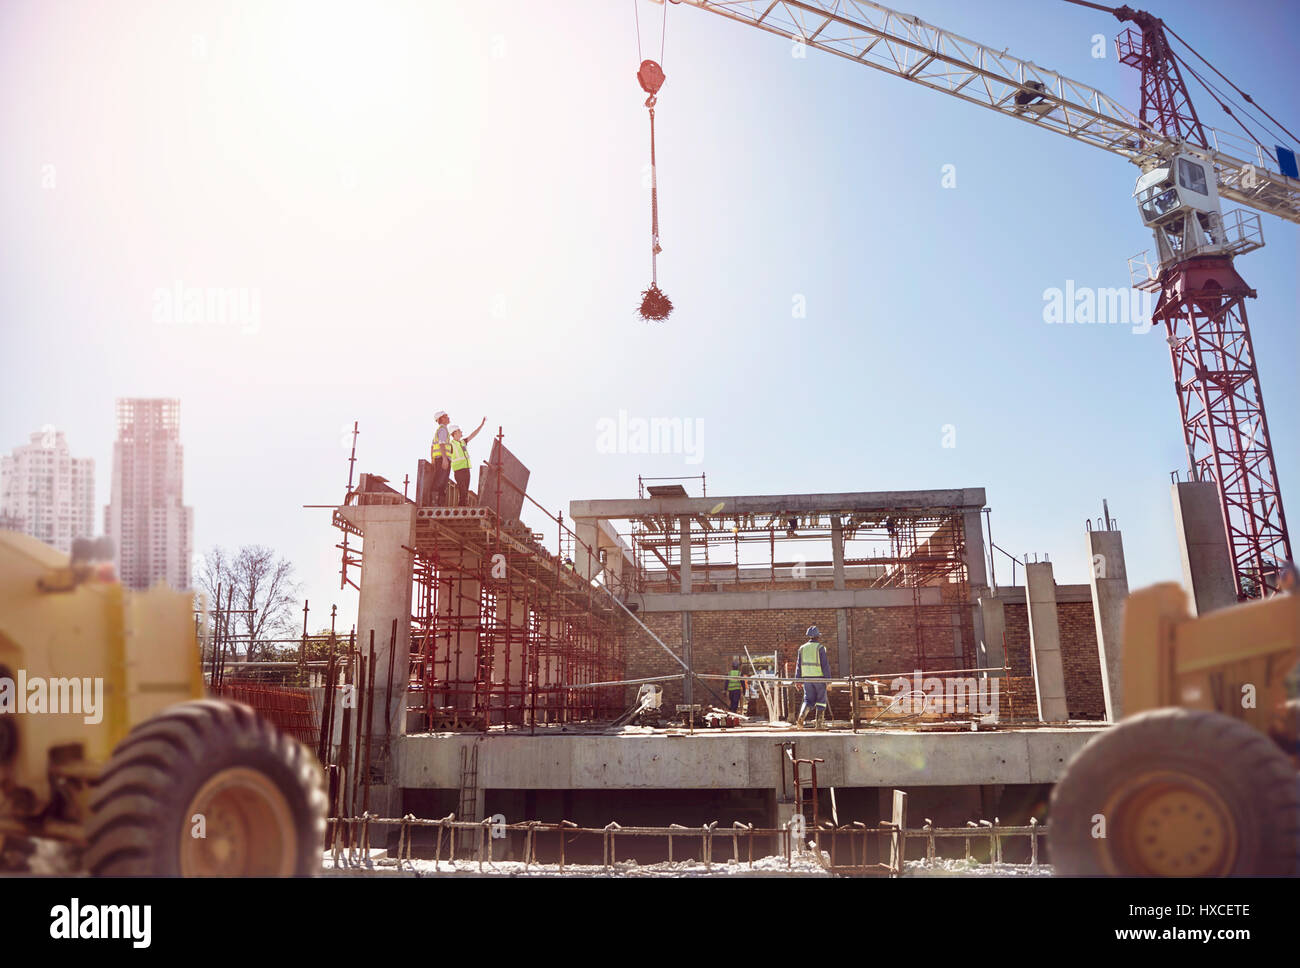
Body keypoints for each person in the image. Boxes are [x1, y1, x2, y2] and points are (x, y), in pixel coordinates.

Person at [794, 626, 830, 730]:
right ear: (818, 636)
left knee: (808, 700)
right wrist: (828, 681)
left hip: (807, 679)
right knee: (821, 700)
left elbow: (798, 665)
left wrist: (798, 680)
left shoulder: (802, 648)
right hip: (819, 678)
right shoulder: (820, 648)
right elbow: (825, 665)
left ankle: (801, 717)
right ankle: (819, 724)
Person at [448, 417, 487, 507]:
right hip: (458, 470)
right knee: (463, 489)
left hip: (466, 469)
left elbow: (473, 435)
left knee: (465, 490)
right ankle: (462, 505)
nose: (461, 432)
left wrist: (481, 425)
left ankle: (463, 504)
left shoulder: (462, 442)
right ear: (455, 433)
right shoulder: (451, 444)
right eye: (459, 431)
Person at [429, 411, 452, 504]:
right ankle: (434, 502)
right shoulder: (443, 429)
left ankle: (439, 502)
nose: (448, 417)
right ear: (441, 419)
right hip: (442, 459)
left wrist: (432, 459)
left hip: (441, 458)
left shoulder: (441, 430)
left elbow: (432, 447)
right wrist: (445, 459)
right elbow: (441, 444)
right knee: (440, 481)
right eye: (446, 416)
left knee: (443, 482)